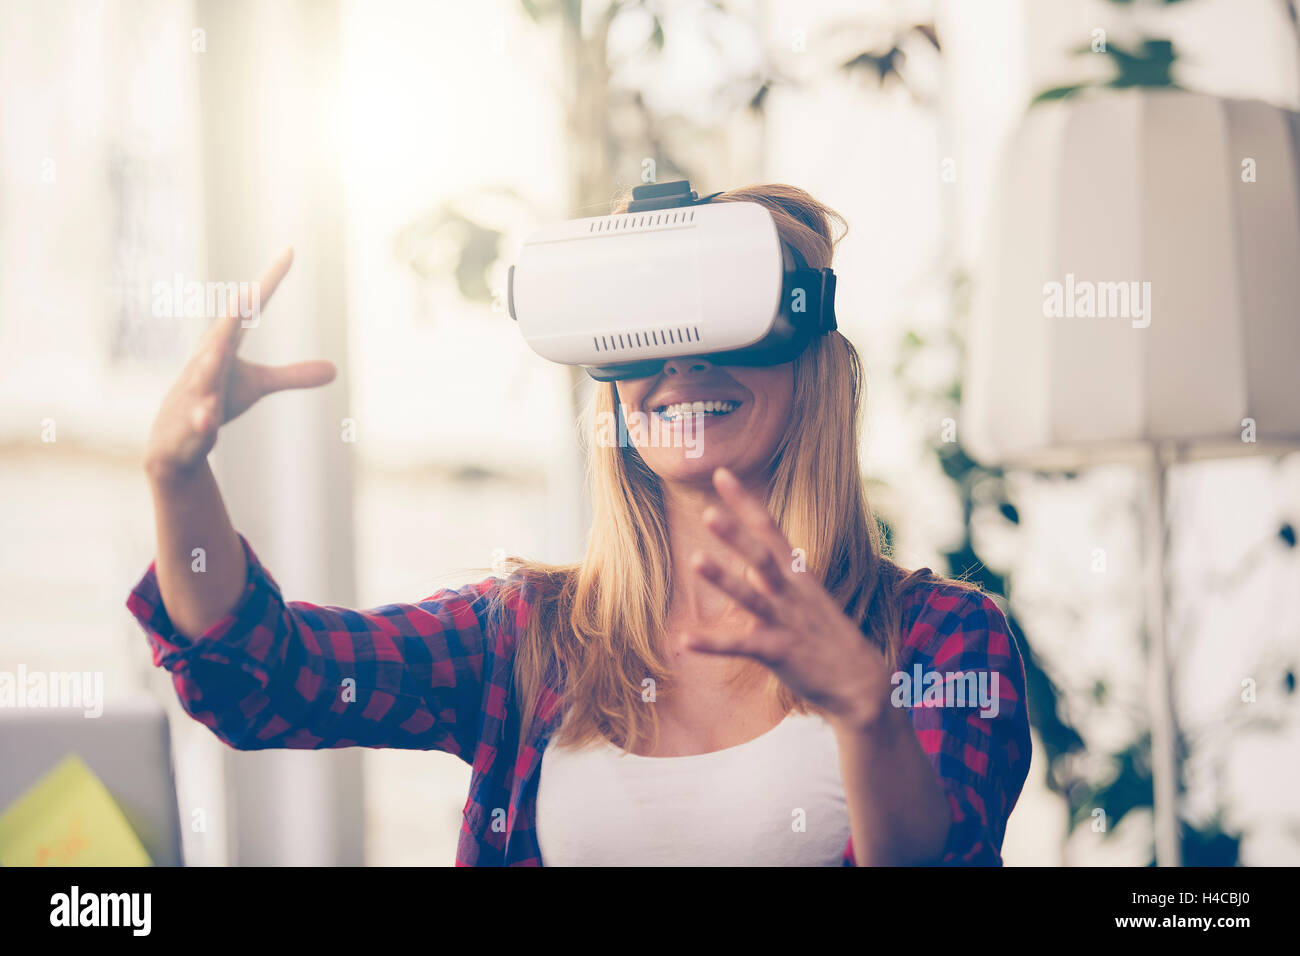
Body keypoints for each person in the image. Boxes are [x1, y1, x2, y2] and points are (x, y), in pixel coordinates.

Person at [127, 183, 1031, 866]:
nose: (680, 361)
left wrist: (866, 710)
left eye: (727, 315)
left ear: (811, 355)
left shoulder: (942, 642)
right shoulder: (530, 637)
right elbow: (273, 679)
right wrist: (178, 476)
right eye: (645, 331)